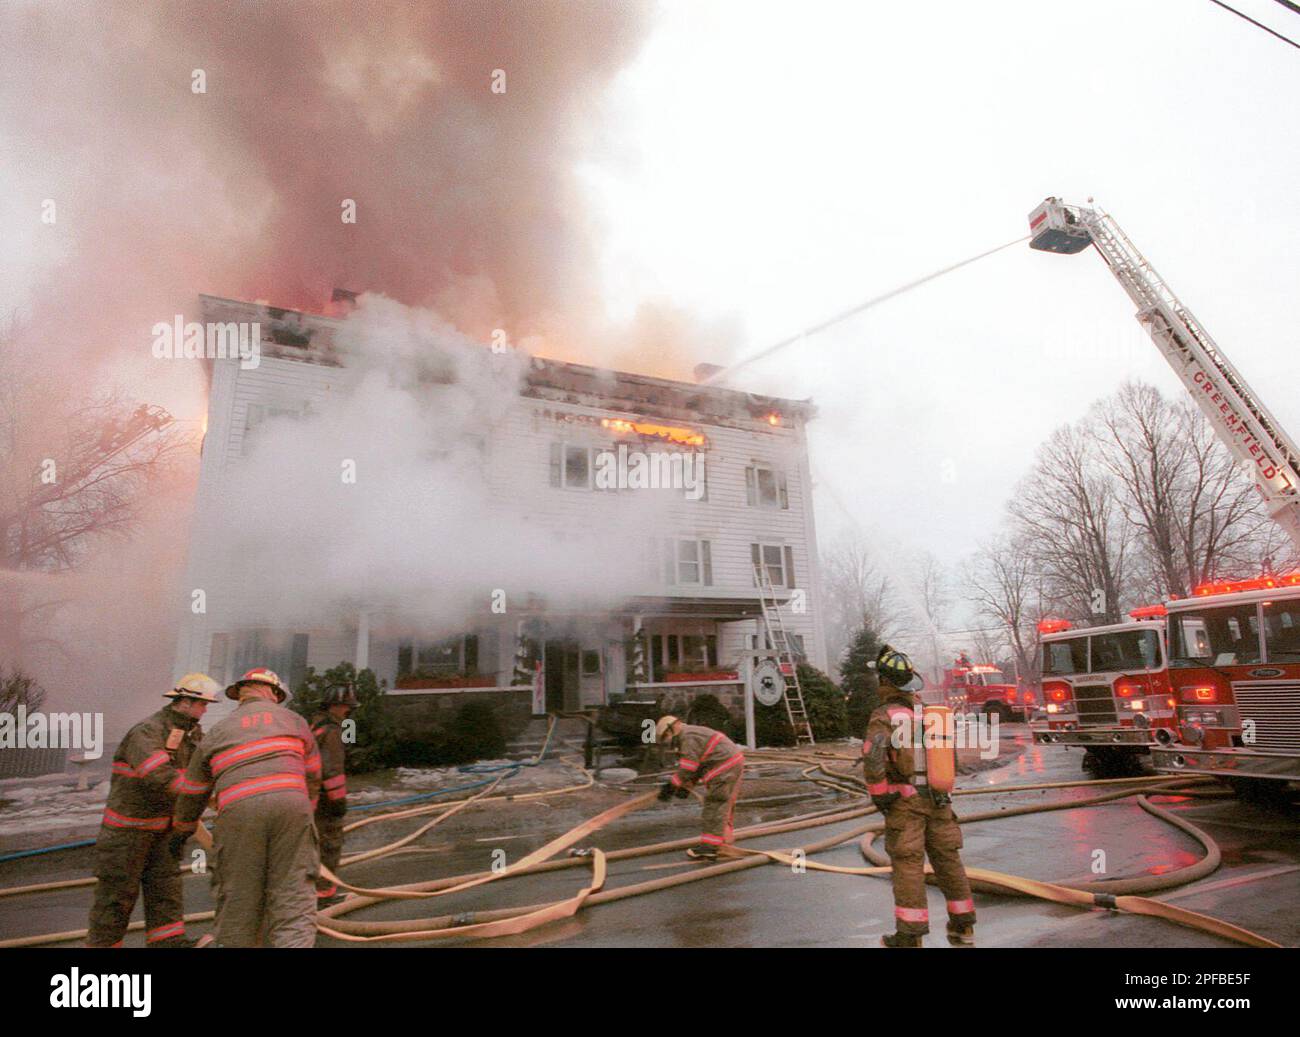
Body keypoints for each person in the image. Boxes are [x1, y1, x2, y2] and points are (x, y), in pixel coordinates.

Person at [171, 667, 321, 947]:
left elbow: (193, 791)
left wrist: (182, 829)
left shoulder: (218, 731)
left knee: (238, 899)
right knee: (293, 896)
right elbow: (313, 776)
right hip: (292, 807)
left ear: (240, 693)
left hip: (238, 814)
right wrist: (304, 814)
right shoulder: (295, 721)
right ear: (274, 693)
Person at [86, 673, 221, 948]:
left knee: (166, 892)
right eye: (202, 704)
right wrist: (203, 795)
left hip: (163, 833)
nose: (205, 710)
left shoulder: (191, 735)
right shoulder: (146, 732)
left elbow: (203, 769)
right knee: (116, 899)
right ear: (185, 701)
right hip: (127, 836)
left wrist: (217, 794)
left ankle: (168, 945)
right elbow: (160, 775)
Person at [863, 645, 976, 948]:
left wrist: (881, 796)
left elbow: (873, 760)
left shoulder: (884, 716)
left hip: (906, 803)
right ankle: (964, 927)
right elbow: (949, 759)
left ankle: (910, 936)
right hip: (940, 800)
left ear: (886, 683)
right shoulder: (929, 714)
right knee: (948, 860)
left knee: (909, 863)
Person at [655, 714, 745, 861]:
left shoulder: (687, 737)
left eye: (666, 738)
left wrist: (672, 785)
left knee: (714, 805)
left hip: (724, 768)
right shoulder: (689, 734)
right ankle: (720, 842)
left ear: (671, 730)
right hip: (726, 765)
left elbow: (689, 767)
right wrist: (686, 786)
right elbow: (697, 766)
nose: (669, 743)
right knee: (719, 805)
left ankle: (710, 848)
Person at [310, 682, 356, 907]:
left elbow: (350, 743)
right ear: (336, 706)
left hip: (310, 796)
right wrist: (339, 801)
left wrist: (349, 727)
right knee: (329, 843)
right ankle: (324, 894)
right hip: (325, 799)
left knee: (313, 844)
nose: (350, 711)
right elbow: (332, 769)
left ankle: (313, 889)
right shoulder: (331, 732)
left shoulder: (316, 725)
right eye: (347, 708)